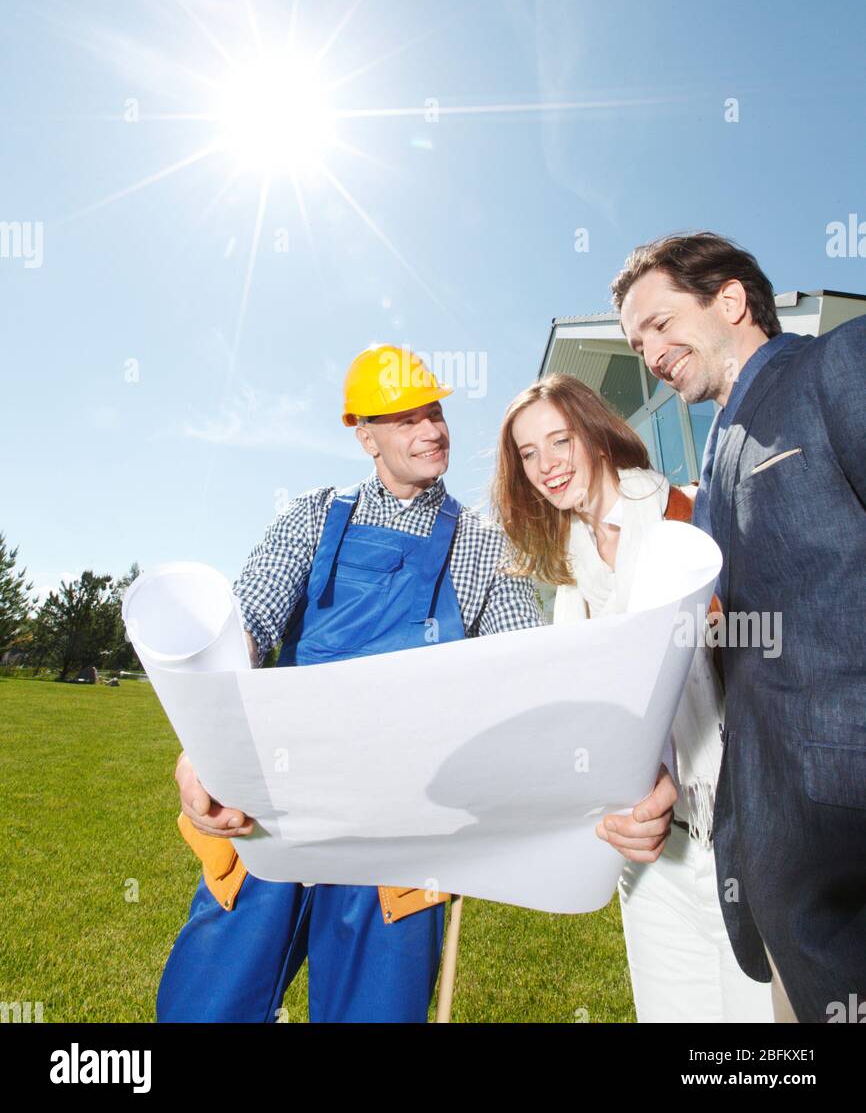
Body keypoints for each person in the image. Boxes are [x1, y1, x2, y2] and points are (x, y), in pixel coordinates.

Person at [158, 343, 550, 1024]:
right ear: (364, 435)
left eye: (433, 413)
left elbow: (522, 666)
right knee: (207, 1007)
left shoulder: (485, 541)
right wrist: (205, 745)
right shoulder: (313, 515)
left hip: (403, 826)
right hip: (271, 805)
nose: (430, 430)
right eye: (403, 419)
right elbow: (244, 627)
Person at [612, 231, 866, 1024]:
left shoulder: (838, 365)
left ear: (731, 299)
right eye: (635, 342)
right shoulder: (713, 462)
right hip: (779, 863)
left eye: (659, 324)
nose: (649, 352)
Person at [492, 373, 774, 1023]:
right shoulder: (572, 584)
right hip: (652, 860)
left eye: (558, 440)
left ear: (594, 435)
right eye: (528, 454)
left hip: (744, 841)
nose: (546, 465)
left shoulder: (692, 517)